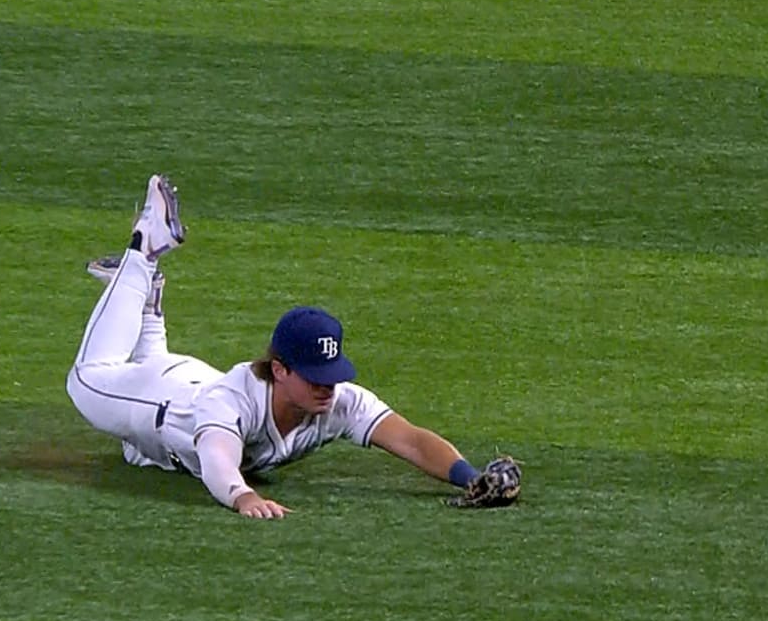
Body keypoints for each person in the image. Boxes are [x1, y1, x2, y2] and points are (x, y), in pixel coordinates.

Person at [67, 174, 494, 518]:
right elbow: (218, 461)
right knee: (87, 379)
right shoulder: (231, 403)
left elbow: (411, 441)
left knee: (138, 455)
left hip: (175, 406)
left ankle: (144, 298)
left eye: (332, 375)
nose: (327, 388)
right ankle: (144, 252)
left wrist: (470, 477)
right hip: (157, 400)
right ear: (279, 370)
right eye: (315, 378)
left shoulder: (337, 403)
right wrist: (242, 497)